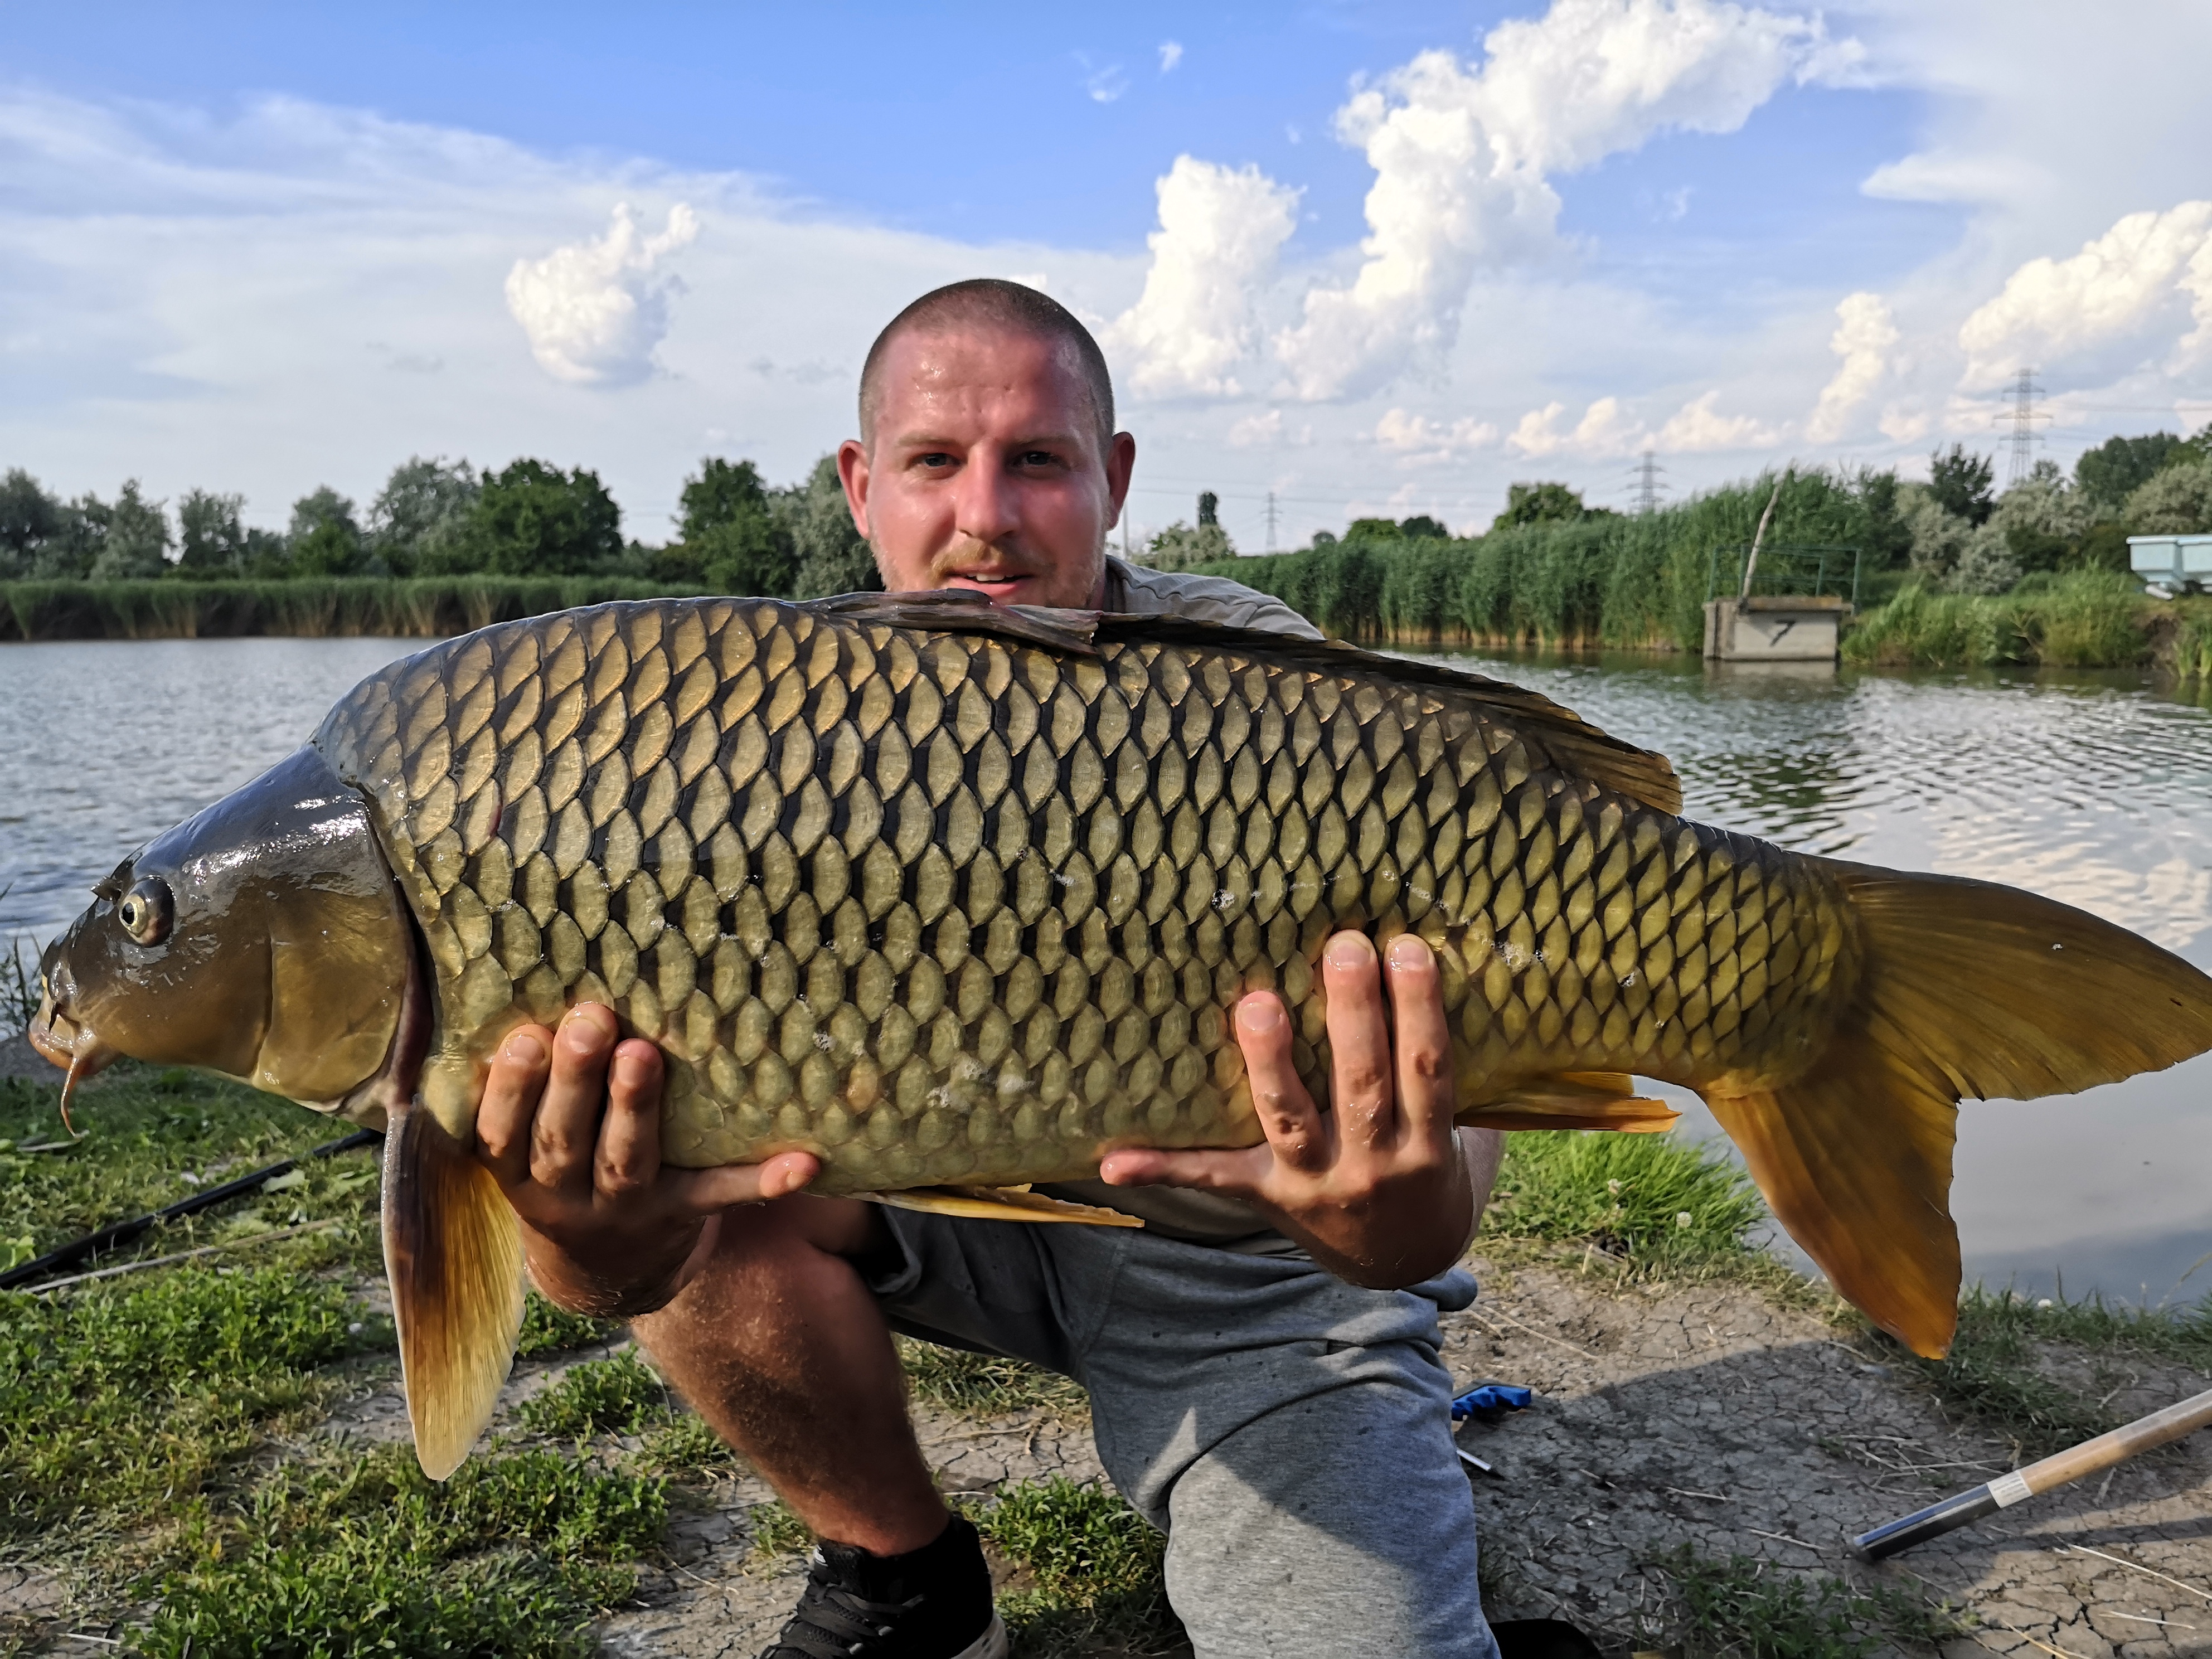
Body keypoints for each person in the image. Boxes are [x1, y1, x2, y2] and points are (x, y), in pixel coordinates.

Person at [471, 280, 1507, 1659]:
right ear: (861, 488)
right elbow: (607, 1264)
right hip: (942, 1204)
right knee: (713, 1180)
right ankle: (904, 1579)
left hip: (1259, 1271)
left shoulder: (1265, 692)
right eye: (932, 462)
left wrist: (1405, 1227)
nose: (984, 518)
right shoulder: (765, 723)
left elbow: (1470, 1042)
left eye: (1036, 459)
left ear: (1113, 477)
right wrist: (584, 1248)